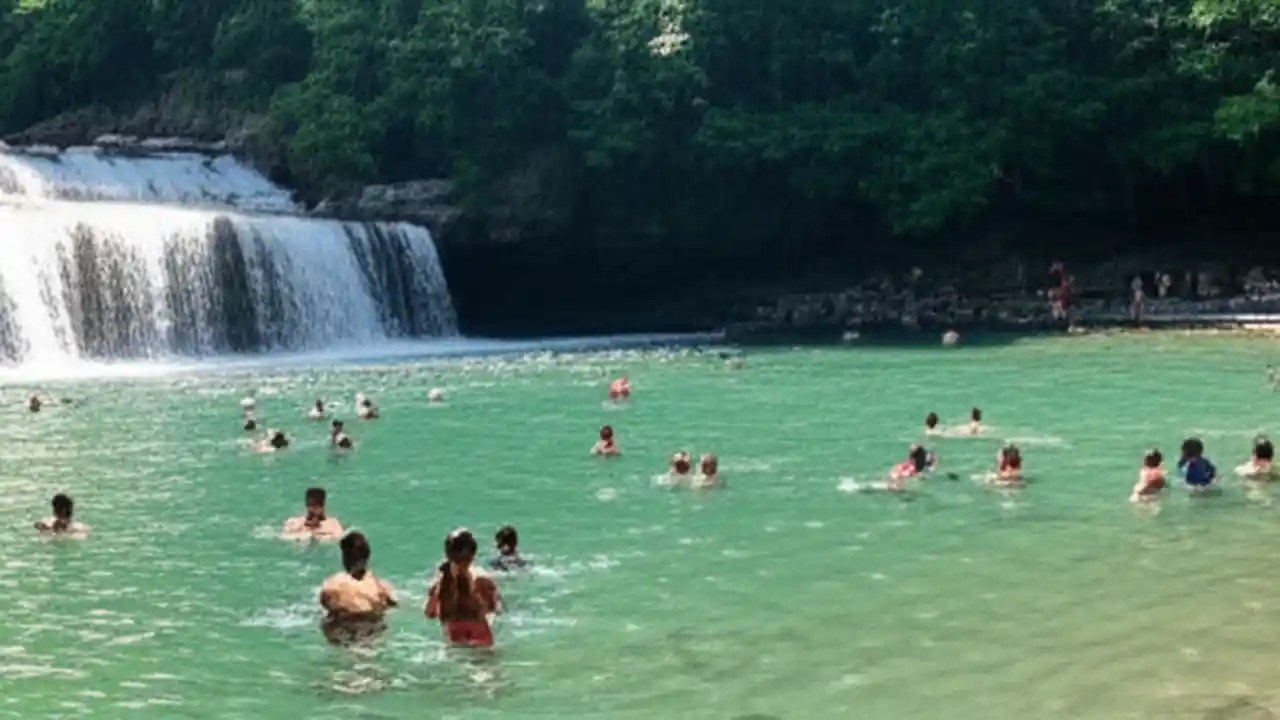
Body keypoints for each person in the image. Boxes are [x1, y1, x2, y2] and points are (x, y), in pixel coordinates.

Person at [426, 529, 501, 647]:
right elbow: (495, 608)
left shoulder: (439, 581)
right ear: (473, 554)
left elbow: (430, 614)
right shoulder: (482, 579)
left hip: (453, 635)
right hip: (479, 635)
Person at [319, 532, 398, 643]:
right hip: (372, 629)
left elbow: (325, 603)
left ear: (345, 556)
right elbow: (394, 605)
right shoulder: (381, 586)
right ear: (367, 556)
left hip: (343, 630)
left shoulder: (334, 583)